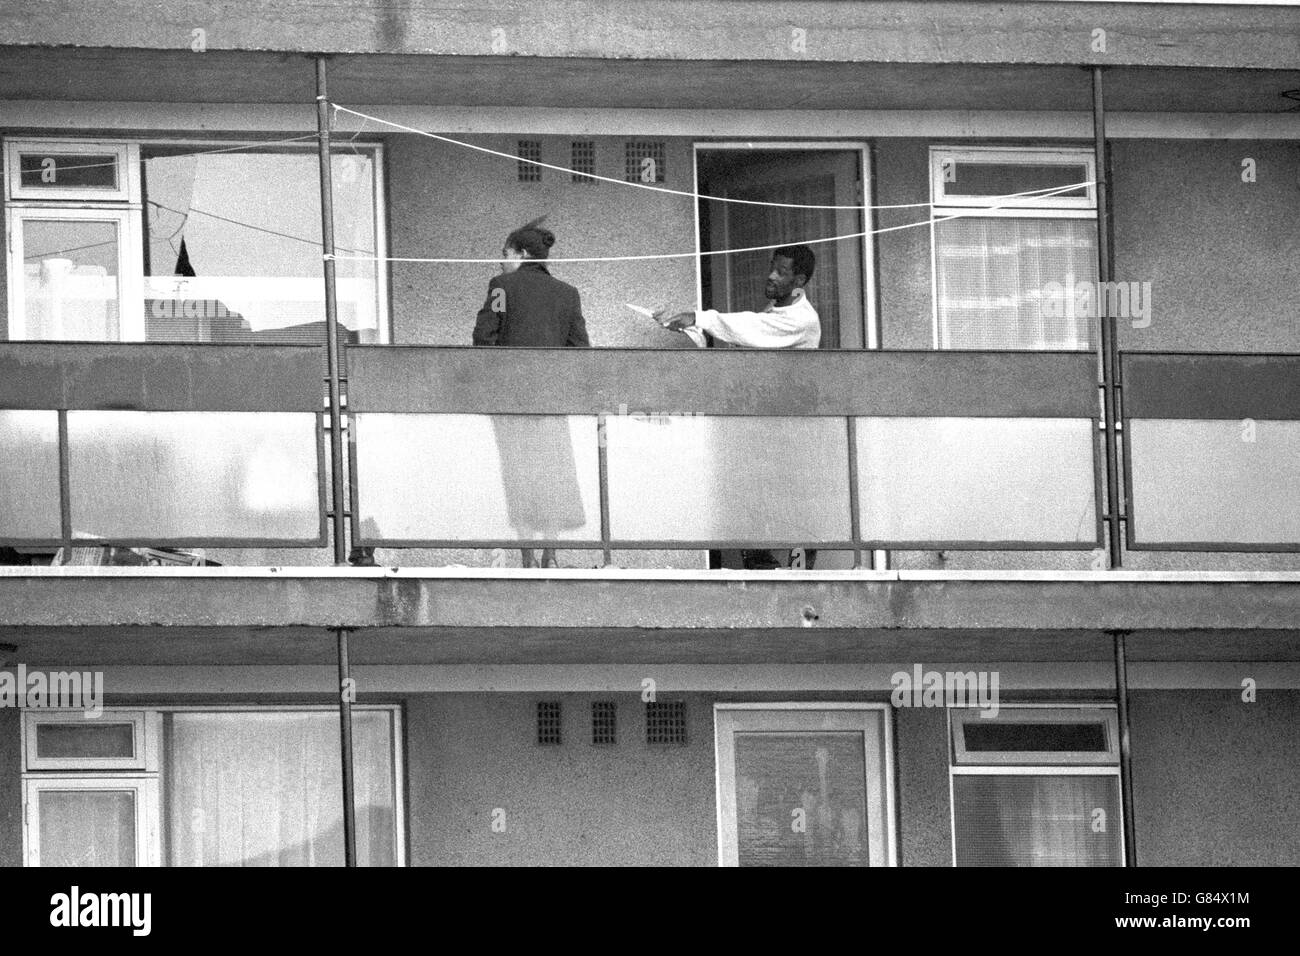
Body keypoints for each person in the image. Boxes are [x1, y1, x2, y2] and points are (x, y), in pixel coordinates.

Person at [656, 244, 820, 570]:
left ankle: (794, 586)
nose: (771, 276)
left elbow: (751, 329)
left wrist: (700, 318)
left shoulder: (800, 319)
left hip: (789, 433)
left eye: (781, 272)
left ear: (799, 279)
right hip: (765, 428)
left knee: (790, 513)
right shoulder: (777, 311)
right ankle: (764, 573)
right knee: (756, 507)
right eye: (771, 267)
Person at [473, 218, 590, 569]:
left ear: (522, 254)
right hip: (552, 402)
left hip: (510, 401)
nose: (500, 261)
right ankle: (550, 555)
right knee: (553, 472)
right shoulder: (568, 294)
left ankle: (525, 555)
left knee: (517, 472)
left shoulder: (500, 287)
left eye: (505, 253)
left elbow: (484, 338)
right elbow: (580, 349)